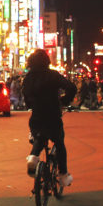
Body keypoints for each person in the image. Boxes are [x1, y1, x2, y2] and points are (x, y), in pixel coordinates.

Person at [22, 49, 77, 188]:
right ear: (46, 61)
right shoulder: (53, 75)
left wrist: (31, 104)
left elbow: (26, 96)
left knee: (39, 137)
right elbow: (71, 87)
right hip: (53, 114)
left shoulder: (28, 78)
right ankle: (63, 175)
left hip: (37, 115)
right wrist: (64, 101)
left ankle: (33, 157)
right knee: (59, 143)